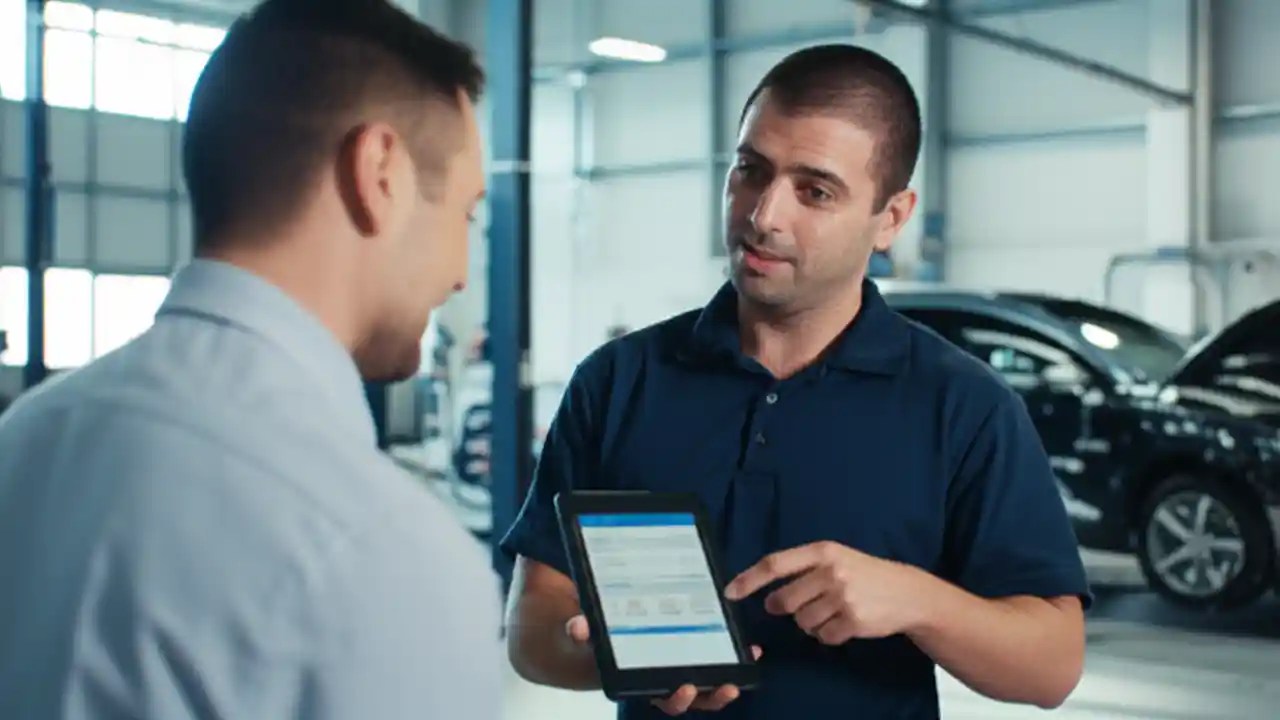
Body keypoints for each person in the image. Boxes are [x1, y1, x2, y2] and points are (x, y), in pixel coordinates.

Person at [501, 44, 1090, 719]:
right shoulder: (617, 383)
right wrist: (615, 662)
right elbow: (532, 630)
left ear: (891, 218)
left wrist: (915, 599)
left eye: (815, 191)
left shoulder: (963, 407)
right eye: (751, 171)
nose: (764, 215)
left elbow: (1052, 666)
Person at [0, 1, 501, 718]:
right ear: (379, 173)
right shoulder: (383, 553)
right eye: (466, 213)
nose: (460, 271)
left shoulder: (28, 435)